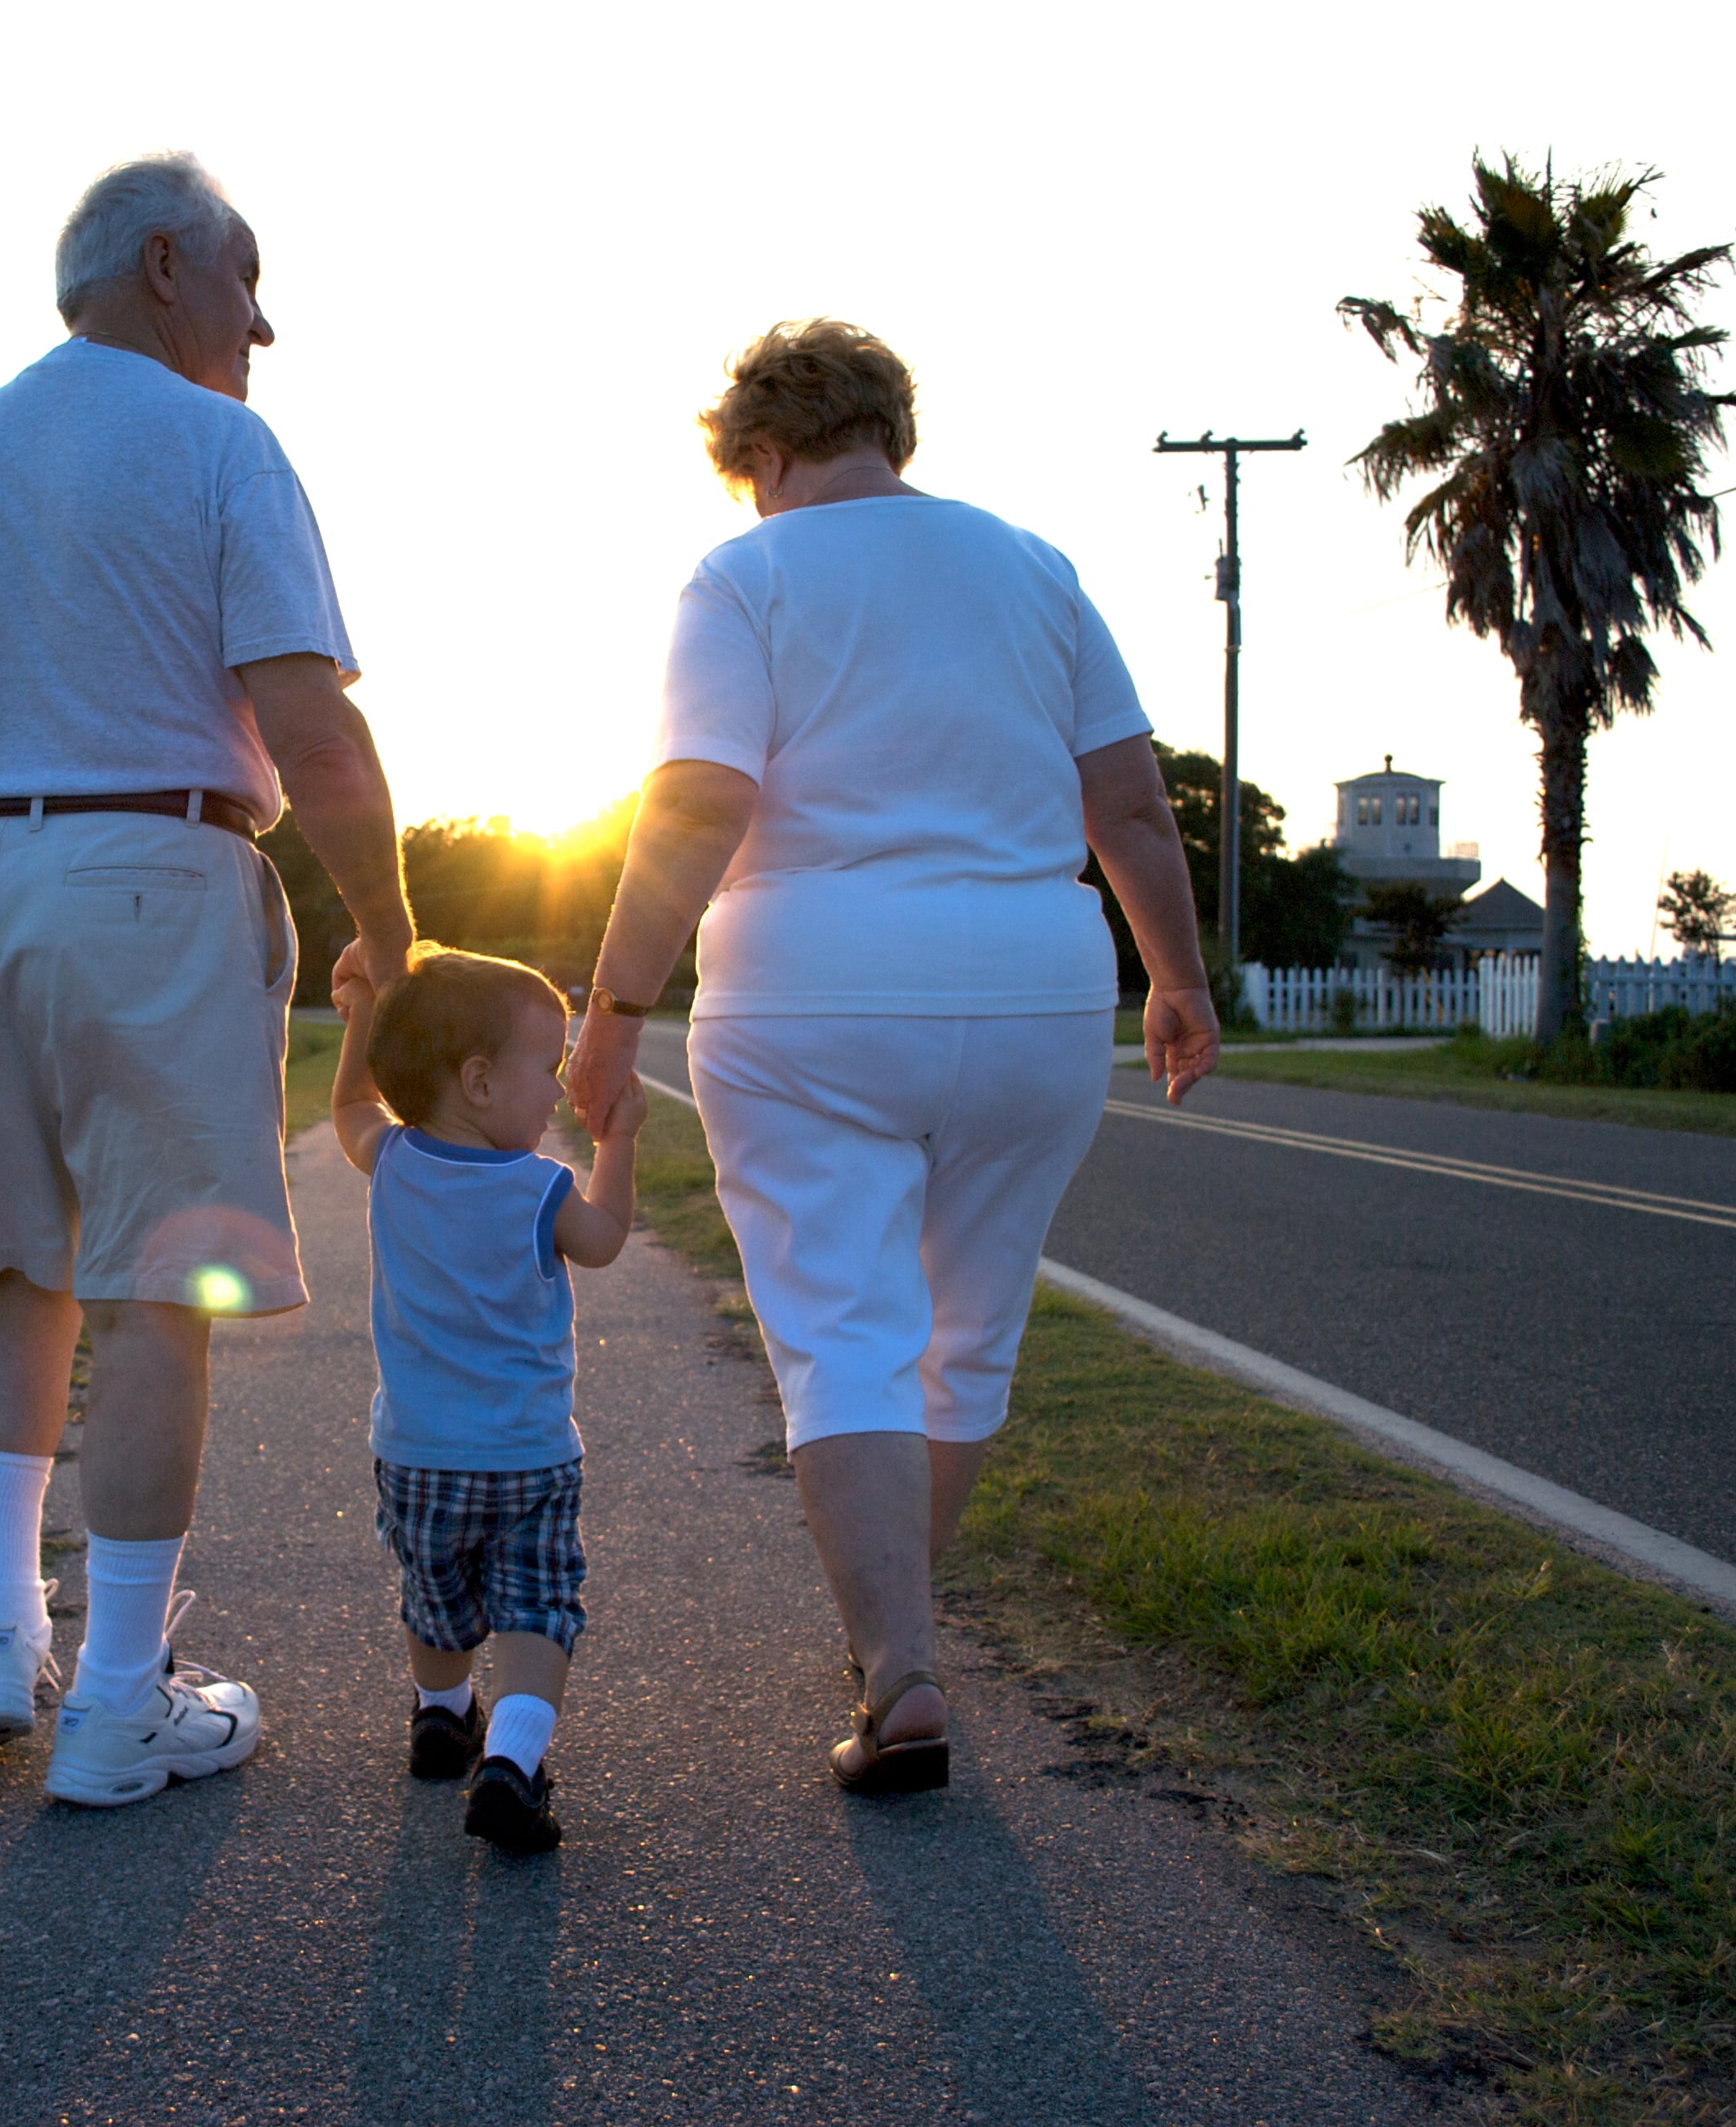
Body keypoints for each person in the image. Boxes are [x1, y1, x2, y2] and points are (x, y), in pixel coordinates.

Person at [0, 153, 415, 1809]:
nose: (265, 322)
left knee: (25, 1273)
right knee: (164, 1286)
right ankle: (115, 1704)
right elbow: (310, 723)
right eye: (247, 279)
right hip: (147, 871)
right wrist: (394, 926)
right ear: (165, 267)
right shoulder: (220, 444)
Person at [562, 319, 1217, 1794]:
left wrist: (611, 1013)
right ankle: (892, 1636)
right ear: (888, 429)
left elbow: (697, 803)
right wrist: (1175, 977)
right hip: (1039, 982)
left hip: (817, 979)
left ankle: (900, 1666)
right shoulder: (1032, 566)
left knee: (838, 1330)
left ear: (769, 453)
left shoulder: (748, 574)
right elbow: (1128, 803)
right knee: (963, 1332)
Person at [328, 947, 644, 1855]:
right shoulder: (541, 1188)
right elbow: (608, 1238)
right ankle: (508, 1764)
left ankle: (438, 1714)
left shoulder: (388, 1160)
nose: (553, 1094)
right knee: (535, 1611)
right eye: (543, 1071)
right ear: (475, 1082)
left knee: (436, 1599)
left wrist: (356, 1017)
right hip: (529, 1457)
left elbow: (349, 1107)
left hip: (417, 1455)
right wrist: (617, 1140)